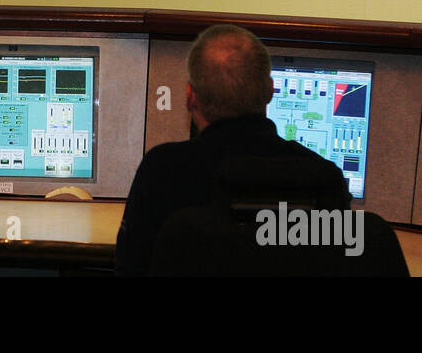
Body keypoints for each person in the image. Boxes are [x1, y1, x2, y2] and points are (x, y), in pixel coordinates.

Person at [114, 24, 351, 276]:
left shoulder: (161, 170)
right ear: (271, 90)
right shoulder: (323, 178)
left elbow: (130, 267)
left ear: (190, 96)